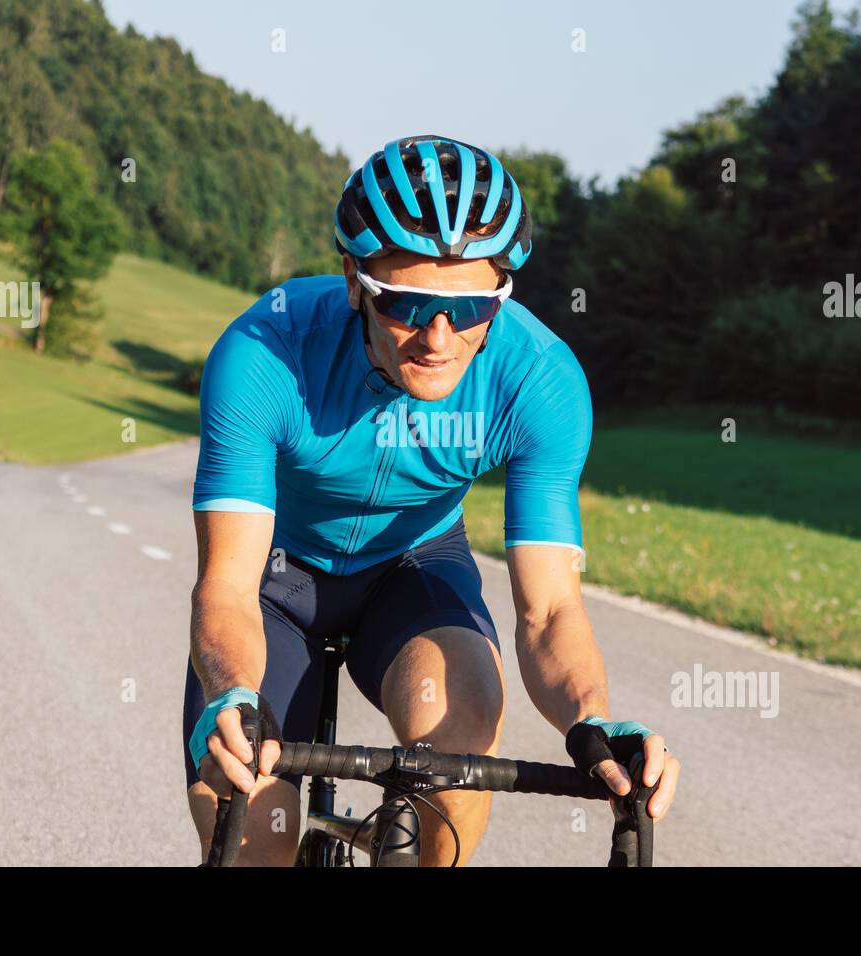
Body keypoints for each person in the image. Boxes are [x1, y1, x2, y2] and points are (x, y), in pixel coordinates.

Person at [185, 134, 680, 865]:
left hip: (412, 570)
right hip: (275, 581)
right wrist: (232, 694)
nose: (440, 338)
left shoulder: (539, 381)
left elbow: (549, 611)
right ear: (355, 279)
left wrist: (591, 719)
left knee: (464, 727)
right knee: (255, 831)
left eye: (475, 303)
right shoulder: (264, 351)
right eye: (407, 303)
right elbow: (226, 584)